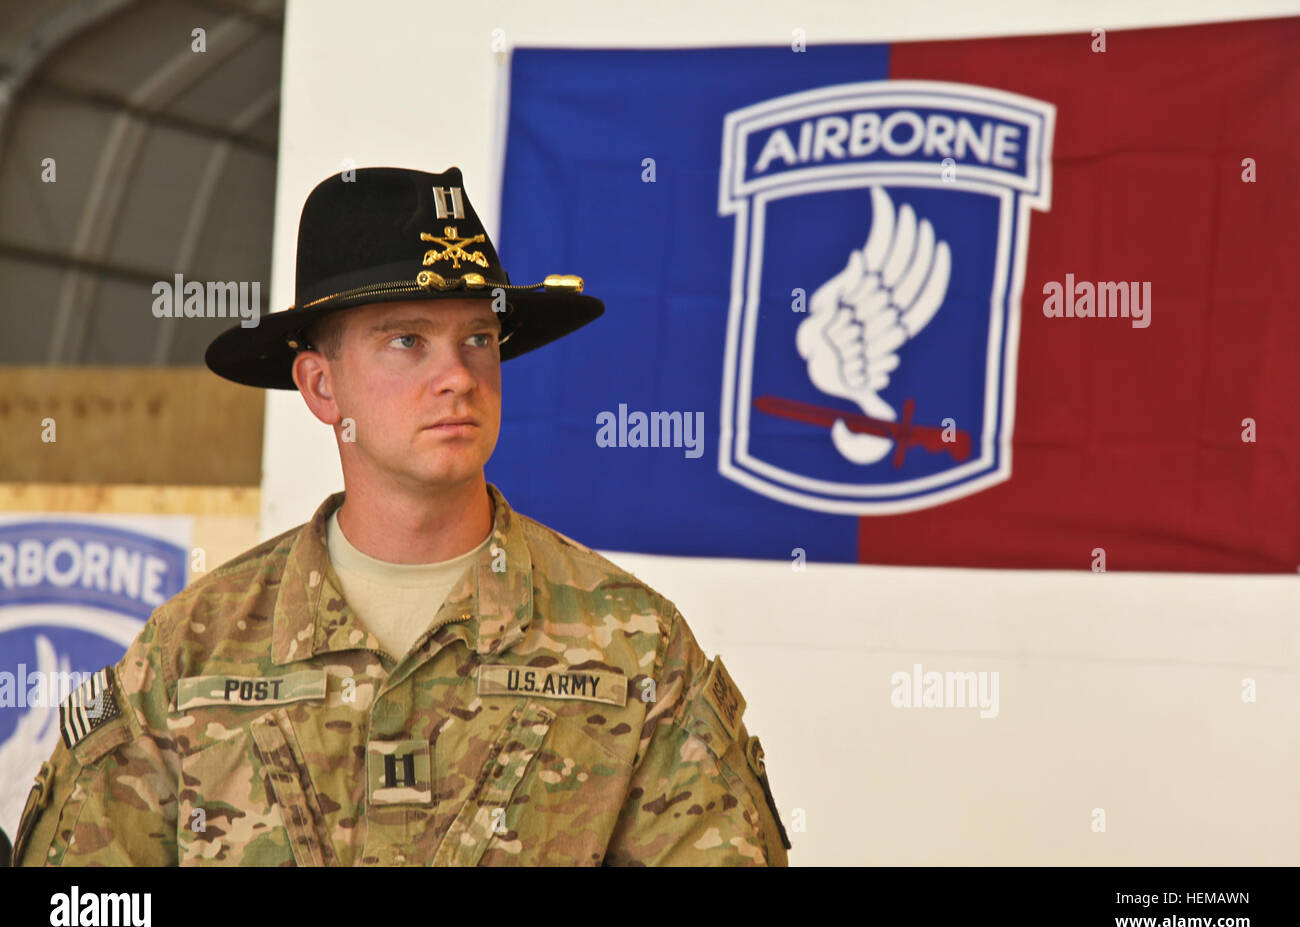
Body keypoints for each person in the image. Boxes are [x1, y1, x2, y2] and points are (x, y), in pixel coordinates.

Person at [10, 166, 791, 866]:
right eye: (408, 341)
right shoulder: (192, 651)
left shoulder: (633, 647)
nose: (457, 376)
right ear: (322, 388)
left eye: (478, 339)